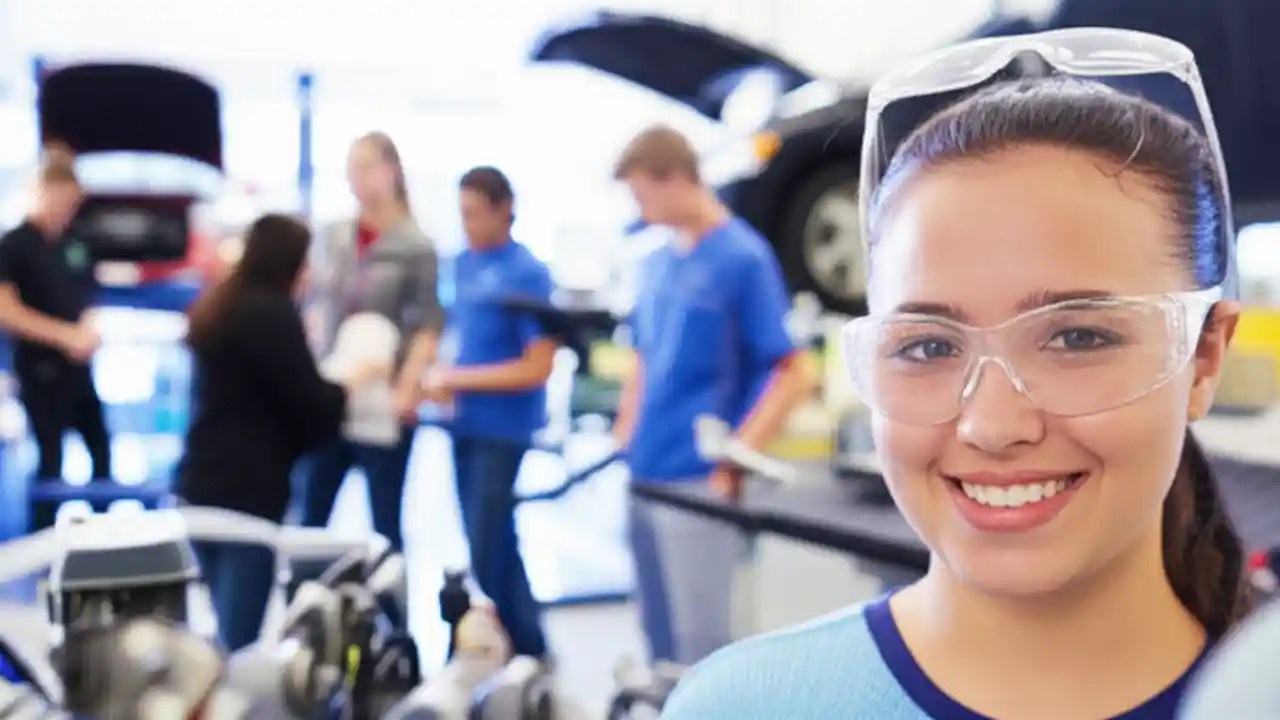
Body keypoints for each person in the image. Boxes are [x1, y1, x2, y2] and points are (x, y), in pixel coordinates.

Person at [661, 31, 1255, 719]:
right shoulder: (744, 708)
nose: (992, 425)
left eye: (1076, 336)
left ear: (1205, 356)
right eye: (928, 347)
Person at [611, 126, 813, 666]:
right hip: (645, 473)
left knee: (703, 647)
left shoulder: (743, 259)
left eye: (642, 194)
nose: (641, 209)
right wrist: (625, 428)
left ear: (675, 178)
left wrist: (739, 456)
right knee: (657, 639)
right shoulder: (656, 261)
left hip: (699, 480)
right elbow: (644, 353)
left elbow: (794, 372)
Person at [178, 214, 388, 652]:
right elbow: (311, 405)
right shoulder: (271, 314)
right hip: (246, 495)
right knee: (241, 645)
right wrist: (353, 379)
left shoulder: (221, 305)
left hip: (200, 483)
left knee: (220, 625)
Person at [421, 166, 555, 660]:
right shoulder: (461, 266)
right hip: (463, 424)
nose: (468, 225)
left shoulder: (528, 273)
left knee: (486, 538)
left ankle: (527, 648)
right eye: (462, 215)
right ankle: (523, 644)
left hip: (505, 428)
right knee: (492, 538)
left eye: (476, 213)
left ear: (504, 209)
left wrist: (458, 379)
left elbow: (537, 365)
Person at [299, 131, 444, 552]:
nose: (357, 180)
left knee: (385, 523)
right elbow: (317, 307)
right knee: (312, 515)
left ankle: (392, 615)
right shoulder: (335, 237)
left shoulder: (415, 246)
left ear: (390, 171)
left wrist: (407, 389)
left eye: (365, 168)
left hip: (385, 398)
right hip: (333, 391)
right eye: (351, 169)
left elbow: (427, 325)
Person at [0, 157, 108, 499]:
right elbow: (6, 310)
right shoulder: (14, 245)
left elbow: (88, 294)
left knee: (101, 453)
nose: (65, 209)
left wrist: (88, 329)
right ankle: (43, 546)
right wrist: (63, 336)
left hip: (78, 367)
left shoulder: (74, 242)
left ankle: (106, 545)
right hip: (39, 369)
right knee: (50, 461)